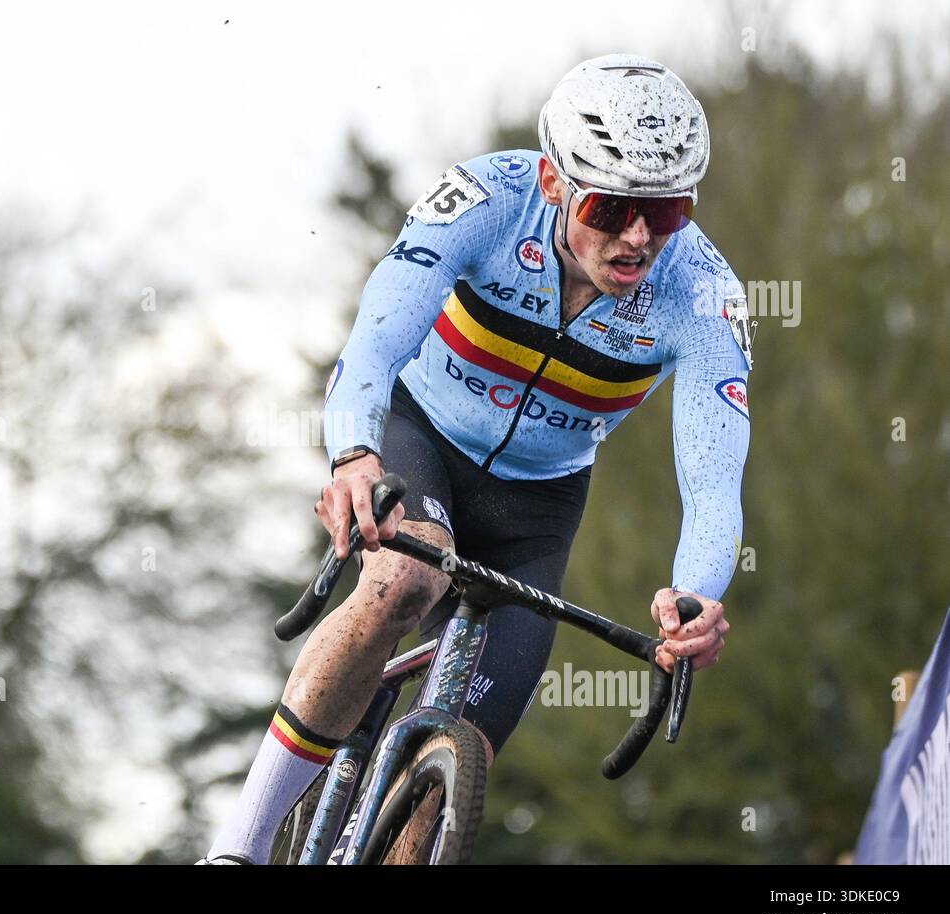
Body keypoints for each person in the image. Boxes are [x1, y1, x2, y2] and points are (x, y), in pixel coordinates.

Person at [198, 53, 754, 865]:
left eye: (666, 211)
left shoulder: (703, 295)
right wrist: (353, 456)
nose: (639, 236)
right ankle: (238, 849)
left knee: (467, 756)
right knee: (403, 579)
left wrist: (695, 597)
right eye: (613, 207)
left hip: (538, 509)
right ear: (555, 182)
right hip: (420, 440)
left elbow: (714, 477)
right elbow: (376, 340)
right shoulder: (488, 200)